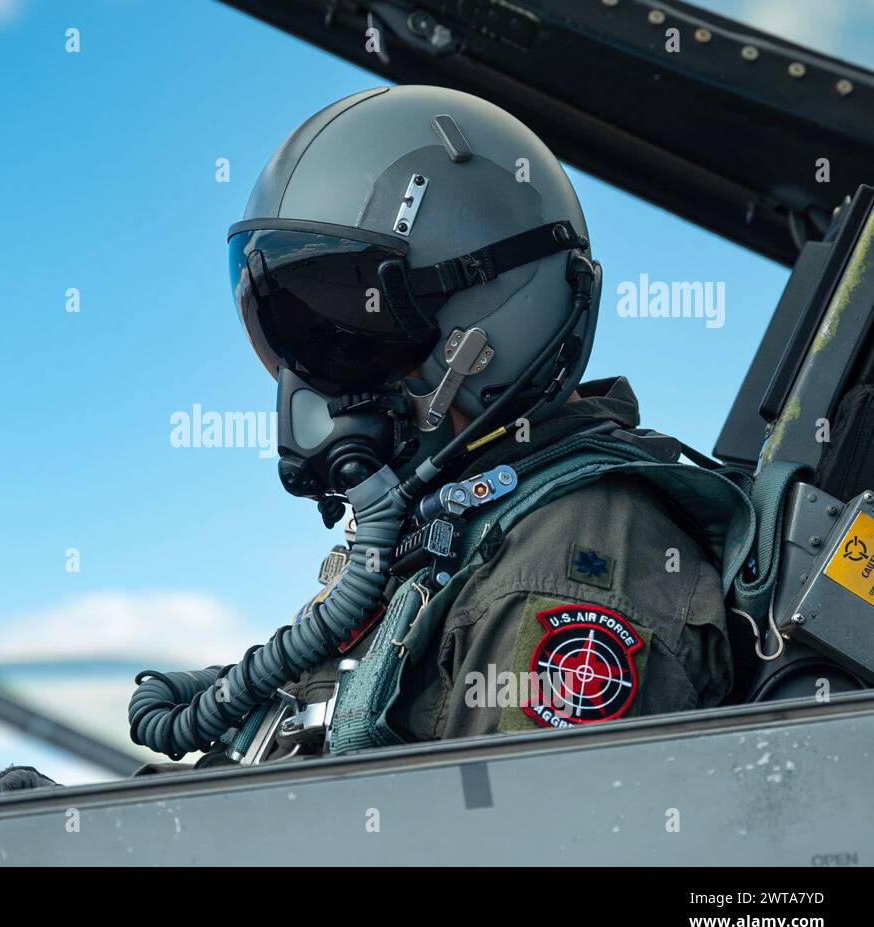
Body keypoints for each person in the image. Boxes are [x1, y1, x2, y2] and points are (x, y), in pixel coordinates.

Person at [122, 85, 746, 767]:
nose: (316, 379)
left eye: (349, 332)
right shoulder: (452, 545)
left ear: (485, 324)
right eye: (298, 335)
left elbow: (519, 836)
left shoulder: (570, 559)